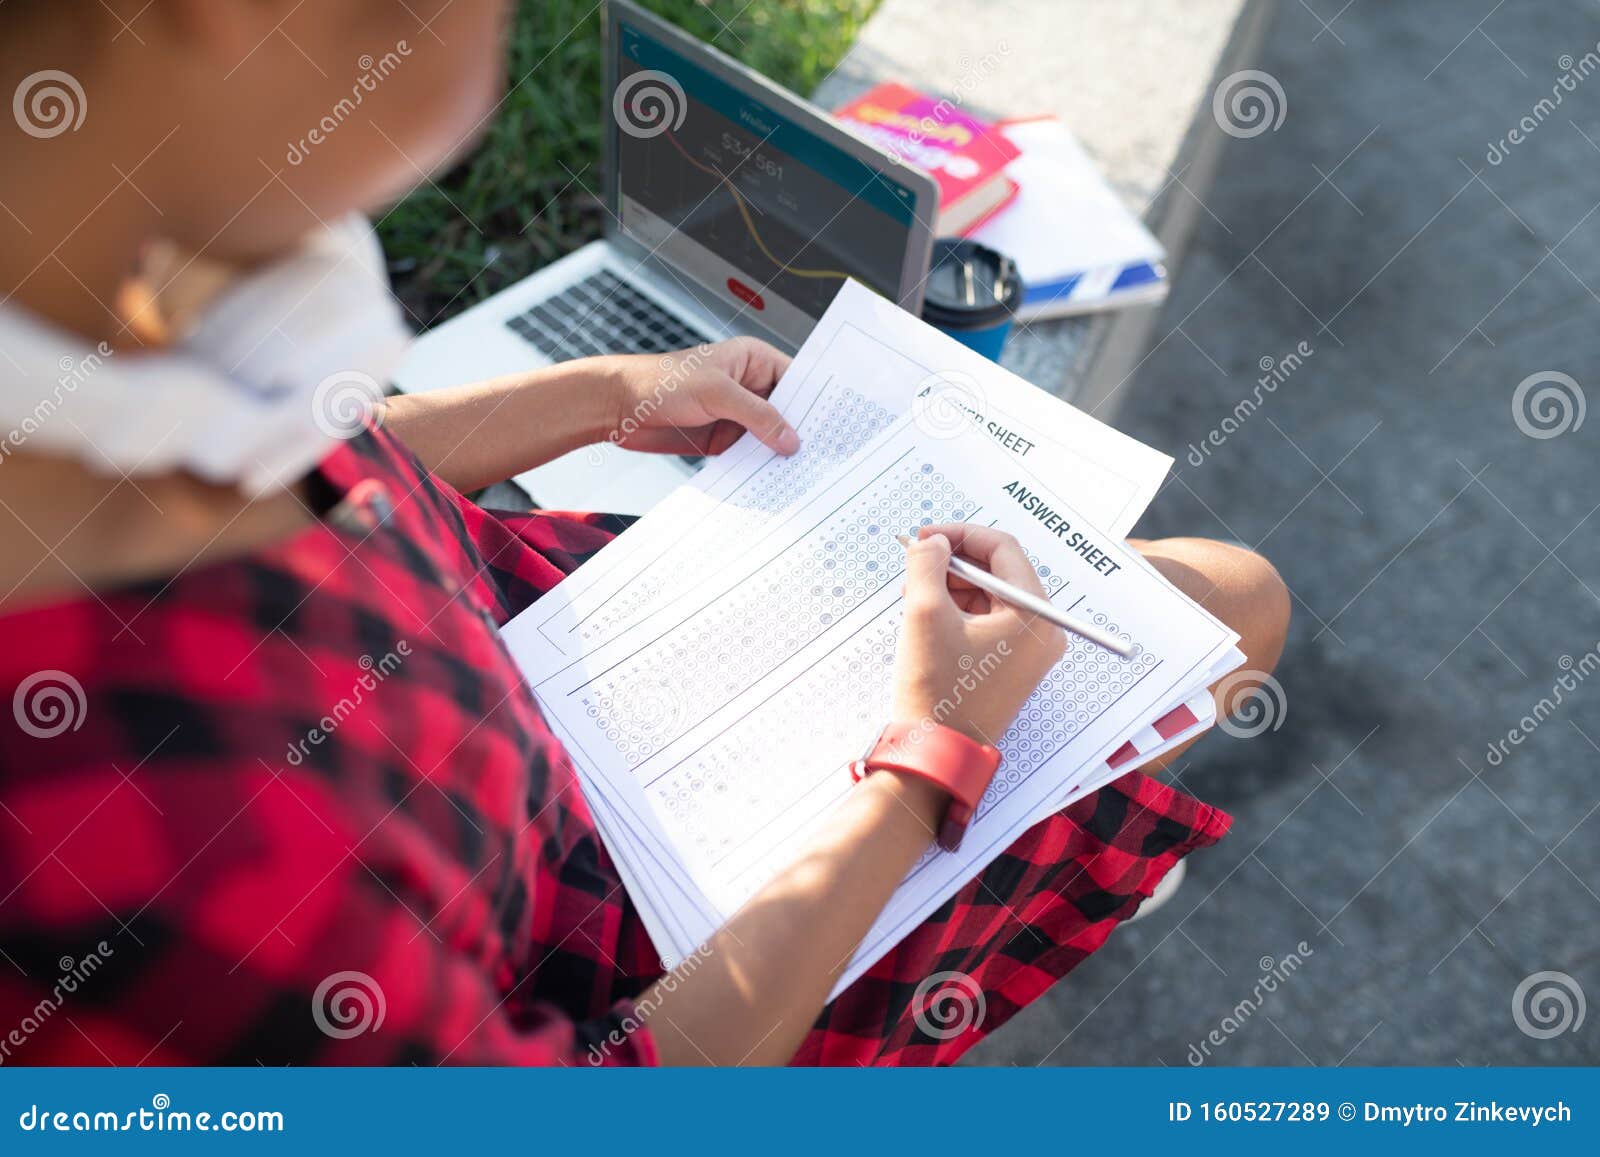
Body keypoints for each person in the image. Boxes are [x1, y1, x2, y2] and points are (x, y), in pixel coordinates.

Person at [0, 1, 1289, 1066]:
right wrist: (934, 752)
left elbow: (333, 447)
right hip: (643, 947)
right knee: (1223, 607)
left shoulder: (94, 262)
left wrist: (602, 395)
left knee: (1204, 601)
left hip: (533, 655)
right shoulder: (160, 843)